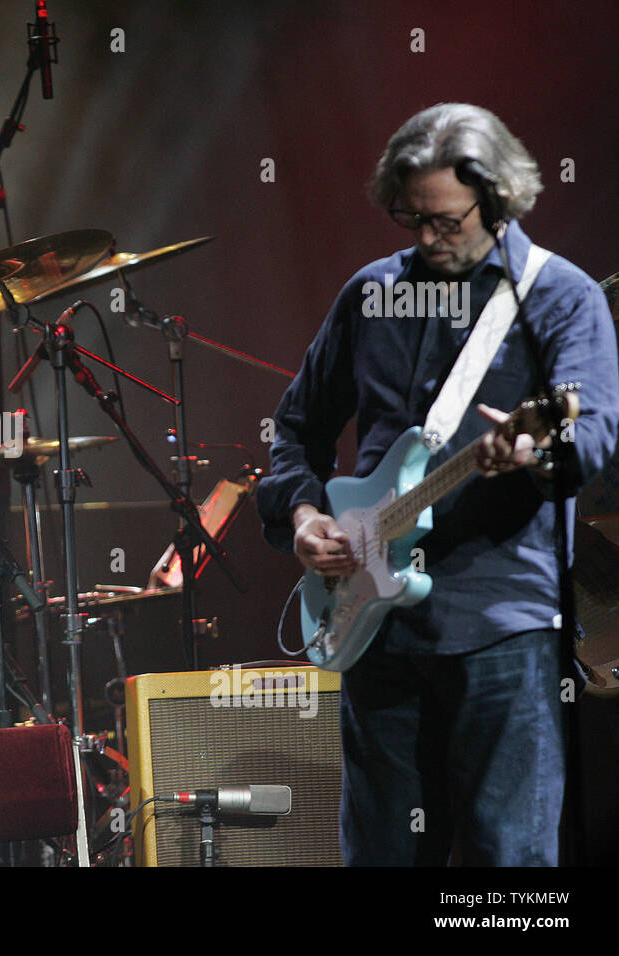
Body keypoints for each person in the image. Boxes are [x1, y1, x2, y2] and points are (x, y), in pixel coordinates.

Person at [255, 104, 619, 865]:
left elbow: (590, 438)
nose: (425, 240)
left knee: (506, 861)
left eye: (445, 222)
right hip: (372, 624)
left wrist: (534, 458)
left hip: (502, 627)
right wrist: (302, 516)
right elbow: (292, 430)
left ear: (500, 200)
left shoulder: (562, 297)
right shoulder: (371, 294)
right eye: (409, 218)